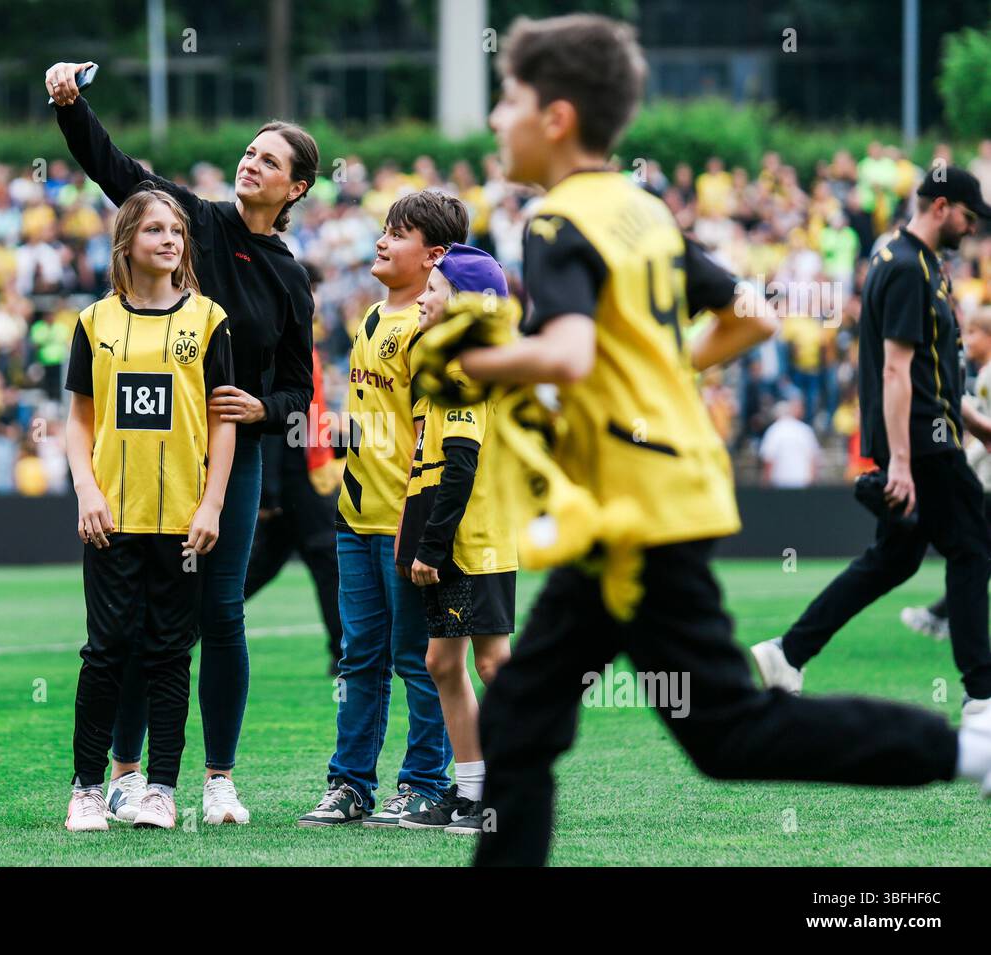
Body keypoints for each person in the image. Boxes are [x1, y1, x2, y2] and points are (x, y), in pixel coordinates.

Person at [416, 14, 991, 868]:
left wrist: (481, 355)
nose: (497, 117)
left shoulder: (554, 222)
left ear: (557, 117)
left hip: (635, 515)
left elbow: (569, 352)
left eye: (509, 98)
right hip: (646, 502)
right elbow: (752, 316)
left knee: (723, 732)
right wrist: (648, 370)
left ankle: (971, 752)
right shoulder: (639, 211)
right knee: (527, 717)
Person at [48, 61, 316, 826]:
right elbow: (117, 172)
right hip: (144, 453)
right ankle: (125, 777)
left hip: (231, 458)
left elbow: (302, 389)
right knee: (137, 623)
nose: (250, 162)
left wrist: (263, 406)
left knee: (219, 615)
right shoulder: (195, 219)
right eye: (250, 150)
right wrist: (71, 106)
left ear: (295, 189)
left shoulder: (289, 279)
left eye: (269, 159)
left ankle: (218, 780)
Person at [755, 166, 991, 710]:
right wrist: (903, 463)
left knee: (894, 559)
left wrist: (976, 426)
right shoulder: (910, 267)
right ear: (940, 206)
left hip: (920, 432)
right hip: (922, 439)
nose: (971, 228)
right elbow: (895, 370)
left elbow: (931, 368)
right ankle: (981, 692)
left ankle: (788, 652)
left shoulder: (901, 257)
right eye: (967, 215)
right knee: (973, 544)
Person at [63, 188, 236, 832]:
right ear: (127, 241)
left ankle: (161, 789)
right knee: (106, 651)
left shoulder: (211, 320)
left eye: (177, 231)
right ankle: (86, 788)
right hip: (111, 518)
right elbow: (79, 421)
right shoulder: (93, 322)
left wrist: (212, 503)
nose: (169, 240)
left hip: (182, 521)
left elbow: (223, 423)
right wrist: (86, 488)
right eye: (154, 230)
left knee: (170, 653)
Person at [296, 192, 466, 828]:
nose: (381, 241)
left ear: (434, 256)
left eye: (399, 234)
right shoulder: (368, 319)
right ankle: (351, 785)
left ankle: (425, 783)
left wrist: (422, 526)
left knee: (420, 661)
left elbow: (434, 432)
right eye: (384, 231)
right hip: (354, 518)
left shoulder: (430, 329)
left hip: (406, 523)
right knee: (358, 658)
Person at [394, 244, 516, 834]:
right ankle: (471, 794)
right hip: (459, 539)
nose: (422, 296)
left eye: (434, 290)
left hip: (475, 541)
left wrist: (430, 547)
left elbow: (461, 466)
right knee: (444, 662)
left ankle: (508, 791)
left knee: (492, 663)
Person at [245, 263, 344, 674]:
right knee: (326, 559)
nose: (314, 299)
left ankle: (185, 628)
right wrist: (267, 493)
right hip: (295, 478)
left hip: (304, 471)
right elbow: (271, 421)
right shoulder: (279, 342)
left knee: (261, 566)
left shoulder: (301, 339)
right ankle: (345, 653)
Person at [901, 306, 991, 640]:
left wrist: (966, 455)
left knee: (975, 552)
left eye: (972, 333)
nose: (966, 341)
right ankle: (945, 613)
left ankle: (944, 615)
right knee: (978, 552)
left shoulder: (988, 377)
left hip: (987, 483)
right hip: (984, 480)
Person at [758, 394, 819, 488]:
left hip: (780, 486)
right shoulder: (805, 430)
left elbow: (768, 460)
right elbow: (814, 460)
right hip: (800, 486)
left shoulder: (774, 430)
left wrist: (766, 484)